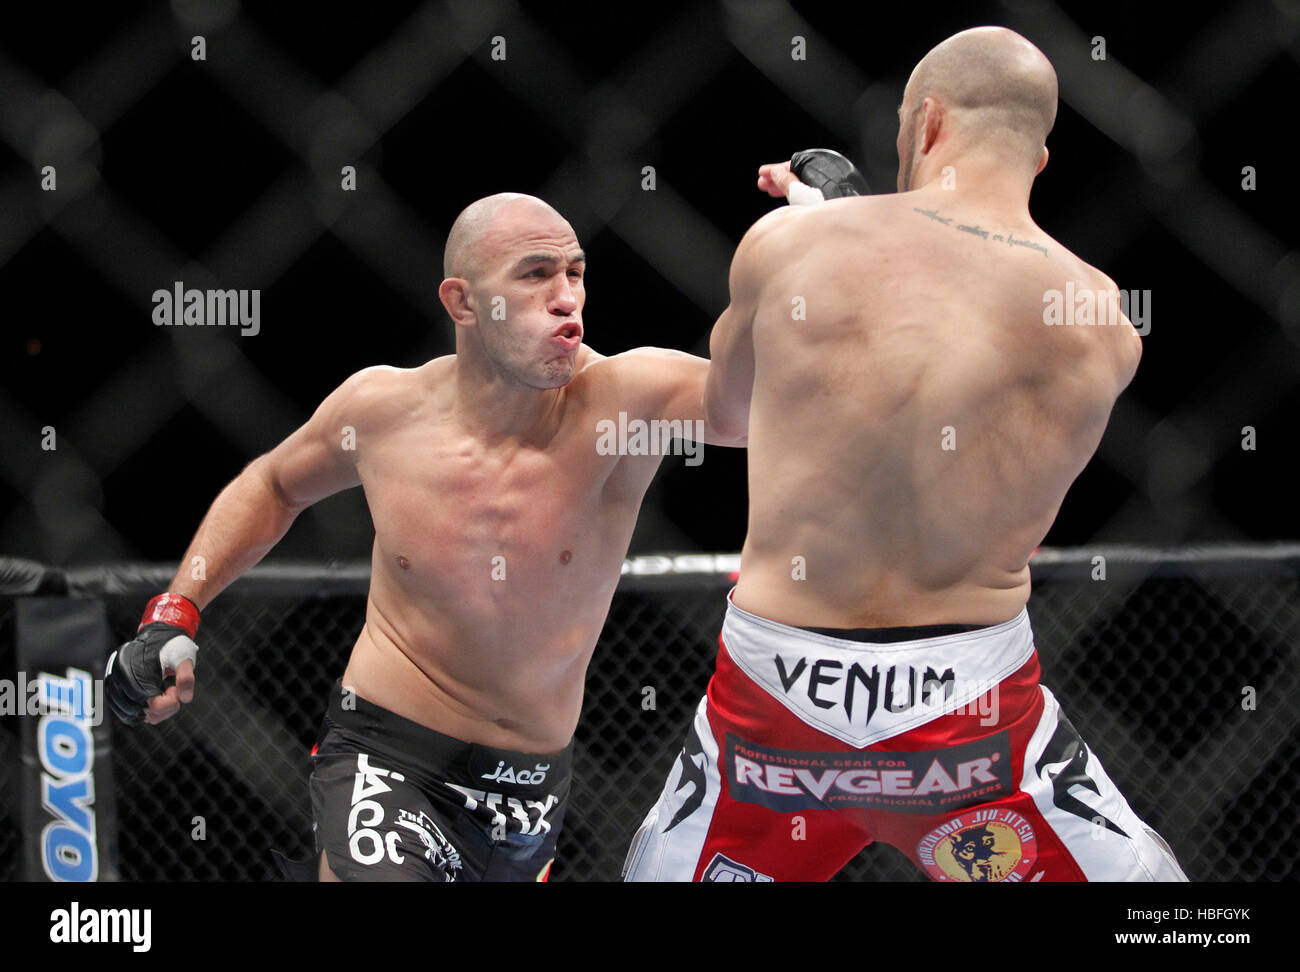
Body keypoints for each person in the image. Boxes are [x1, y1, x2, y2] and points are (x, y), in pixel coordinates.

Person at [624, 26, 1186, 882]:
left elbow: (731, 414)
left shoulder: (788, 250)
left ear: (925, 125)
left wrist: (829, 226)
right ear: (1038, 161)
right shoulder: (1103, 320)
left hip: (775, 714)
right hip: (975, 720)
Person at [104, 192, 743, 882]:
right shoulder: (384, 411)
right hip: (388, 757)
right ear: (463, 303)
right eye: (535, 275)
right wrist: (176, 610)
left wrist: (801, 261)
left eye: (576, 273)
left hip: (532, 796)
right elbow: (273, 483)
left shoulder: (626, 401)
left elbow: (745, 414)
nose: (566, 298)